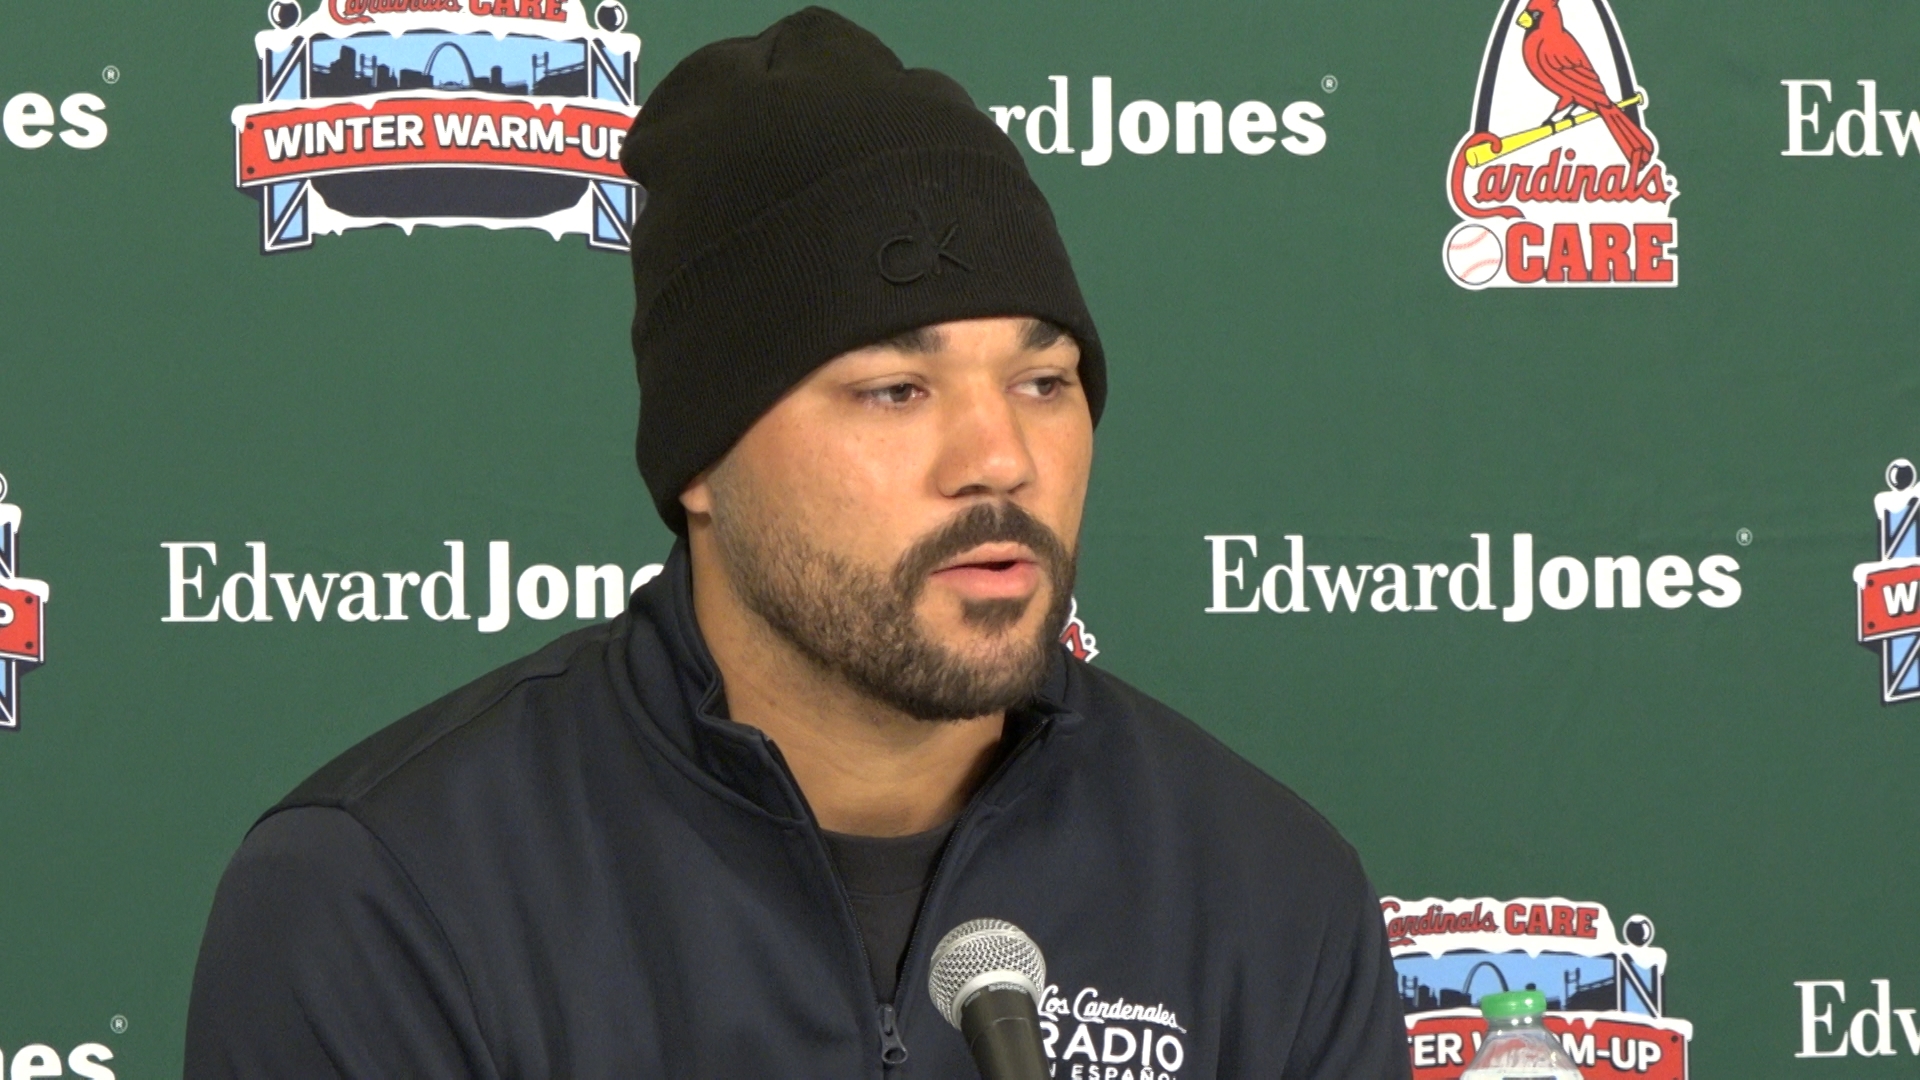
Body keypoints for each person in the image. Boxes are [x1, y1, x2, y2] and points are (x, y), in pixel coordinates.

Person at [184, 8, 1411, 1078]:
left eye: (1043, 380)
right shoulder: (389, 899)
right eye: (895, 390)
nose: (1000, 457)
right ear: (704, 460)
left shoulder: (1268, 896)